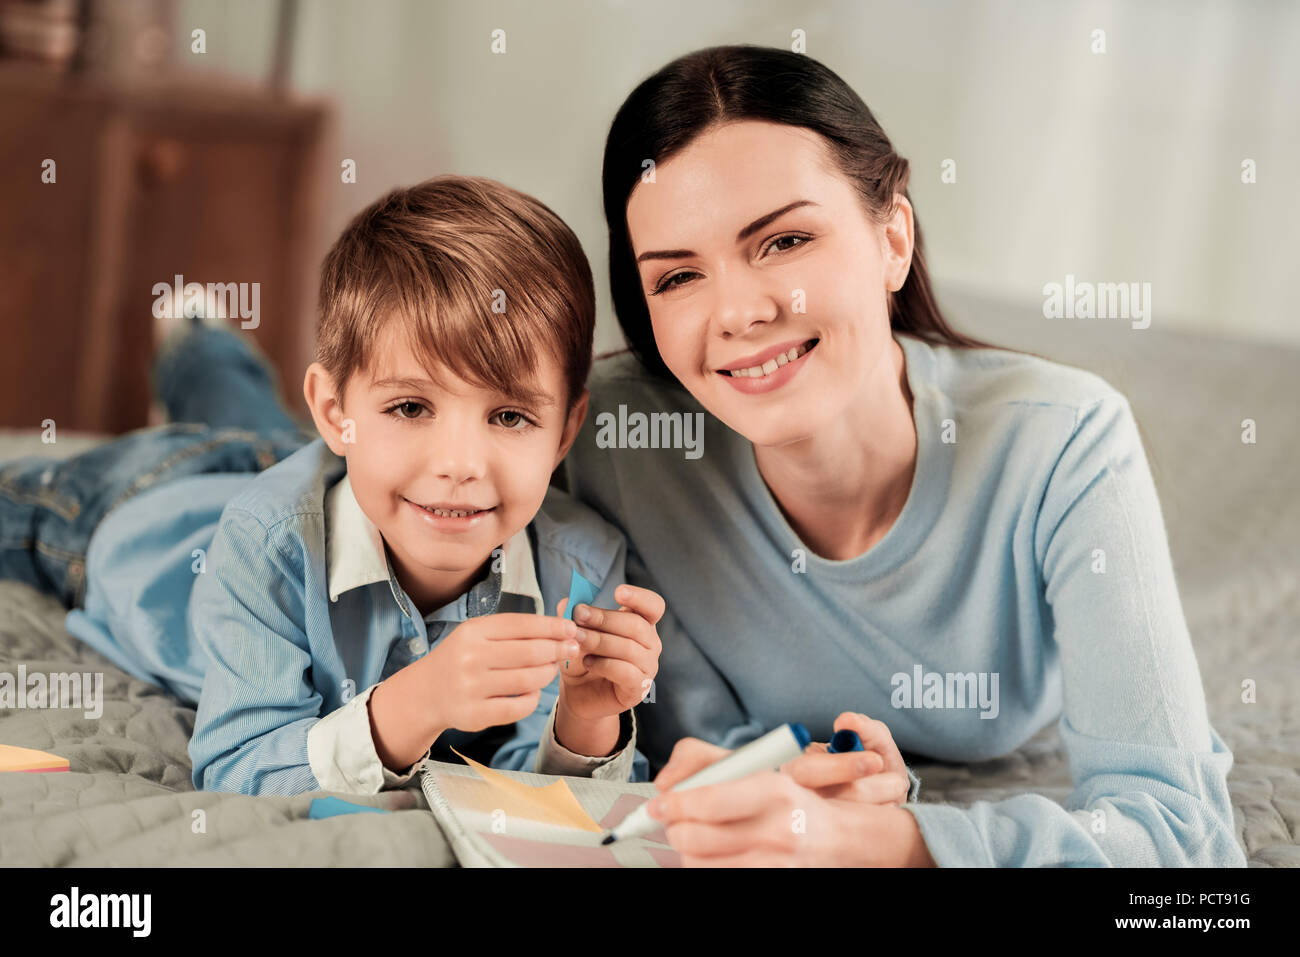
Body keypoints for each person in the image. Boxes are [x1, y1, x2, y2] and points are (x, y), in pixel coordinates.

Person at [559, 44, 1246, 866]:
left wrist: (894, 840)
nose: (739, 313)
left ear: (894, 238)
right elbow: (688, 737)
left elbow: (1185, 840)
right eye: (677, 278)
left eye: (783, 242)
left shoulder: (1066, 441)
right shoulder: (614, 443)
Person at [0, 175, 662, 796]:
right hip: (148, 505)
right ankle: (197, 343)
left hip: (332, 464)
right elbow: (238, 764)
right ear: (335, 410)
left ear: (567, 427)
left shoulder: (581, 565)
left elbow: (537, 792)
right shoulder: (265, 542)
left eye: (510, 416)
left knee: (256, 423)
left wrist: (584, 722)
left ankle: (204, 342)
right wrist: (416, 703)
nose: (460, 463)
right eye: (411, 406)